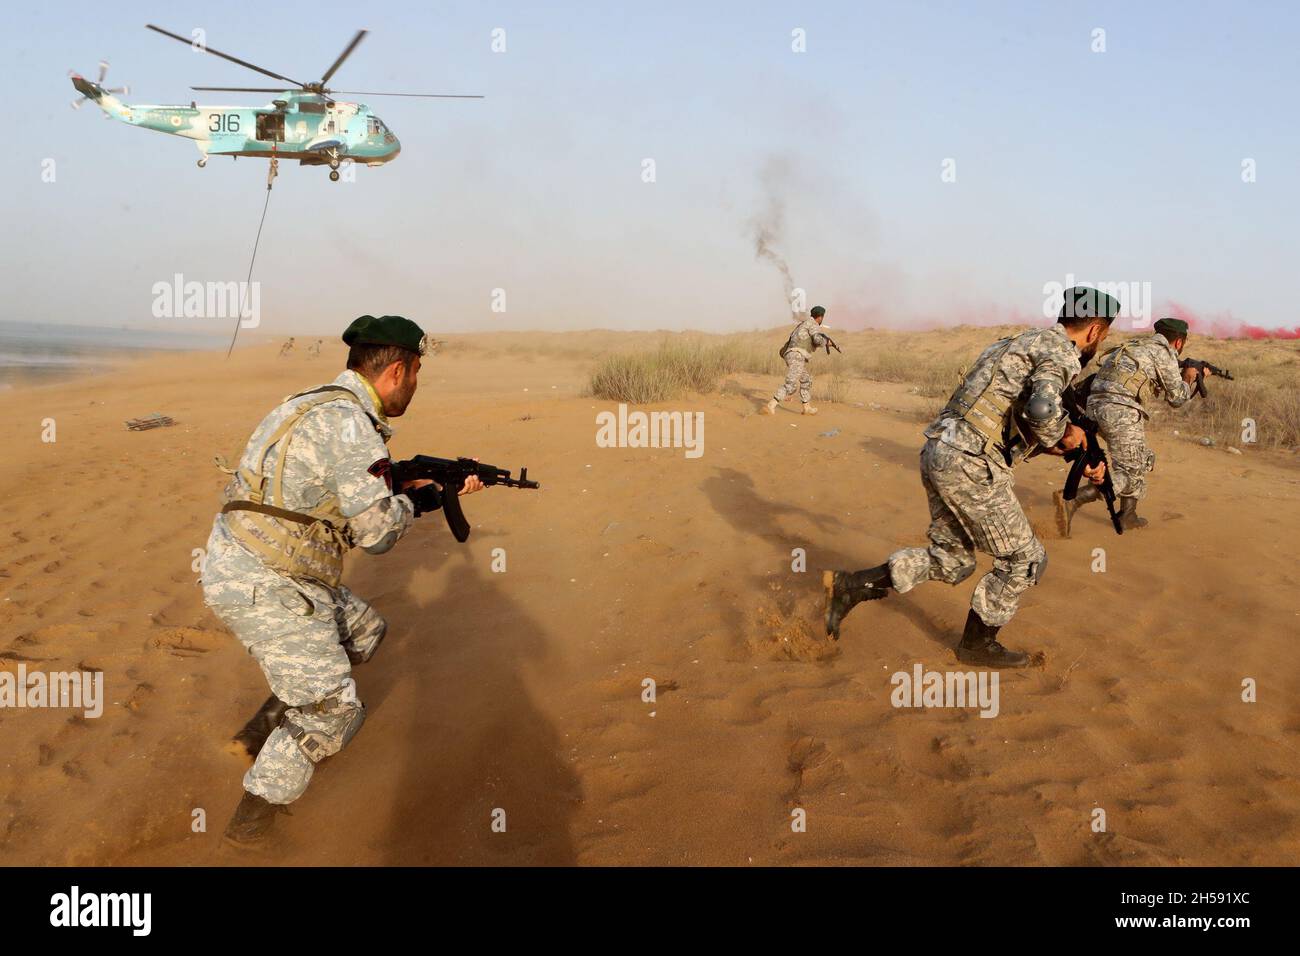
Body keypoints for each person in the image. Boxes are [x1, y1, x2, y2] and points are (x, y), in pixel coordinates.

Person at [201, 314, 484, 846]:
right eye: (418, 372)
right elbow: (376, 535)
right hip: (271, 581)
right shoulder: (353, 424)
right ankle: (252, 821)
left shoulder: (307, 403)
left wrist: (407, 480)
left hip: (244, 560)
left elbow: (320, 484)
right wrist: (423, 498)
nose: (416, 387)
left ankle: (260, 730)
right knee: (334, 711)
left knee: (363, 632)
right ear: (399, 370)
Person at [822, 287, 1117, 668]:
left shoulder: (1014, 343)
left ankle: (850, 587)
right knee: (1025, 560)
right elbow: (1043, 410)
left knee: (953, 560)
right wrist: (1068, 435)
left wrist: (1060, 447)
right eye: (1105, 335)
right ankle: (977, 645)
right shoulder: (1061, 352)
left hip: (941, 449)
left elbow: (1009, 416)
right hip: (971, 460)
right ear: (1094, 330)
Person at [1055, 316, 1204, 534]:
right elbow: (1177, 399)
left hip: (1095, 407)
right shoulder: (1163, 353)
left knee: (1141, 457)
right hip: (1120, 411)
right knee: (1128, 472)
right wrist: (1189, 377)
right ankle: (1071, 499)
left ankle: (1128, 514)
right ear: (1179, 342)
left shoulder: (1135, 345)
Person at [764, 305, 831, 416]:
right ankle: (771, 405)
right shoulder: (813, 324)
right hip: (797, 355)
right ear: (820, 317)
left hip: (792, 355)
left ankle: (806, 407)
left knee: (806, 380)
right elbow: (817, 339)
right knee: (791, 384)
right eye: (822, 317)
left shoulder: (803, 324)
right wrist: (826, 342)